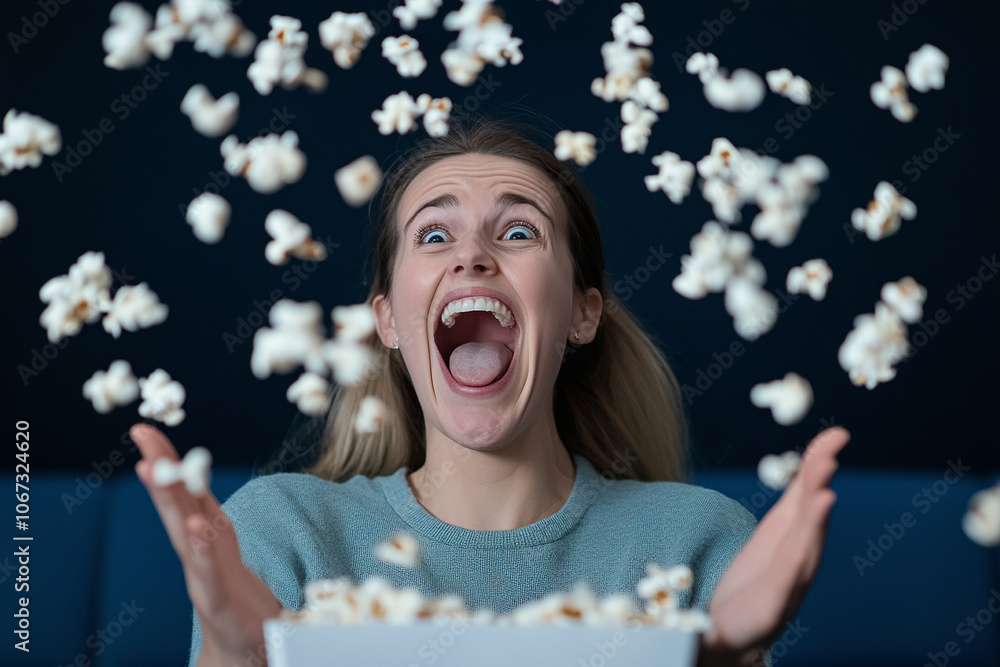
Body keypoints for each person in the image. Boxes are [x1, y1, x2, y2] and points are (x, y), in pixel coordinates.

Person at [132, 116, 848, 667]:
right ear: (386, 318)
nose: (472, 254)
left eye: (517, 230)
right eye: (434, 235)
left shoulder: (696, 542)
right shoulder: (285, 530)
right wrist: (240, 653)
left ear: (580, 311)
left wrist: (716, 653)